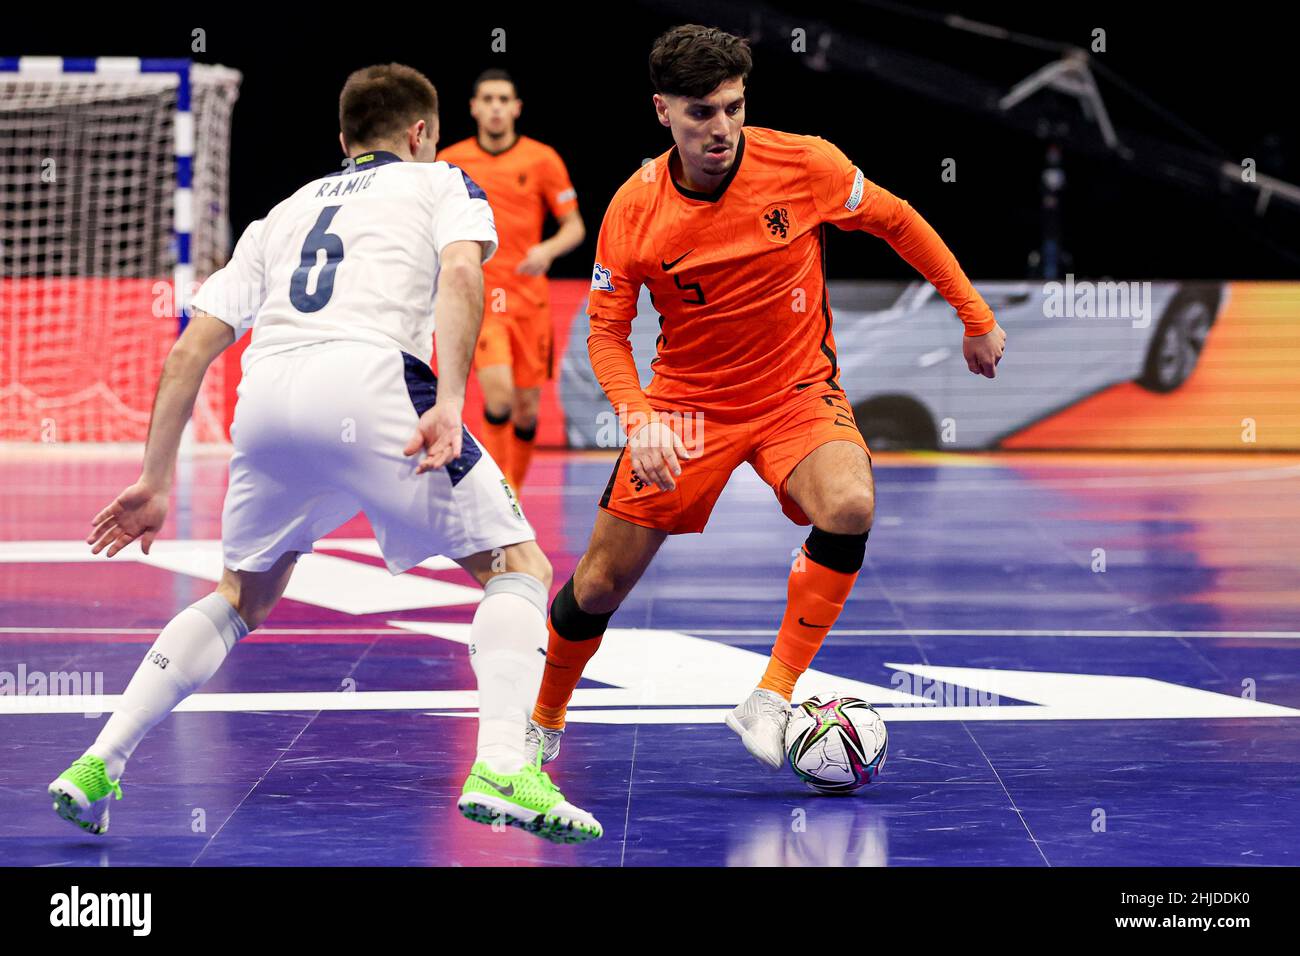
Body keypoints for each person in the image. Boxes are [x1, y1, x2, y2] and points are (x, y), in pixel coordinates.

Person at [47, 63, 601, 843]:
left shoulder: (281, 212)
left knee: (243, 595)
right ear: (422, 133)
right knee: (518, 569)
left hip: (268, 400)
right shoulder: (443, 182)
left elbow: (188, 353)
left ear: (343, 142)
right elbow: (462, 274)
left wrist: (154, 479)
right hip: (372, 385)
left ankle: (100, 760)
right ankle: (506, 763)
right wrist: (447, 404)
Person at [526, 25, 1006, 770]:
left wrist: (973, 315)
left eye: (733, 107)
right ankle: (543, 720)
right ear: (662, 111)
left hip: (795, 393)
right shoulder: (634, 208)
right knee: (597, 584)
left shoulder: (805, 164)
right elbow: (606, 331)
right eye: (700, 113)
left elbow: (898, 220)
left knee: (849, 505)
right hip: (686, 408)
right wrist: (640, 417)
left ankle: (771, 696)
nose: (721, 128)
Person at [438, 69, 585, 494]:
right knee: (498, 398)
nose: (496, 107)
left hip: (530, 302)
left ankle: (512, 490)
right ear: (474, 107)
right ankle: (496, 490)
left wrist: (547, 250)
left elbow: (574, 226)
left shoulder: (542, 159)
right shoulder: (450, 161)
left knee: (525, 410)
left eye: (504, 99)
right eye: (488, 99)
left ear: (516, 107)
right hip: (482, 297)